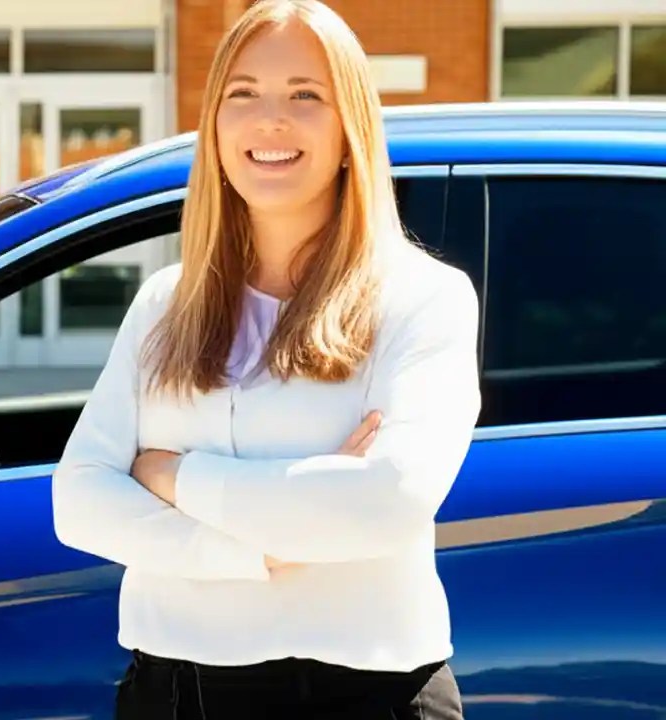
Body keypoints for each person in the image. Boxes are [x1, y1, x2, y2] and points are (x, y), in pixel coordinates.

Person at [50, 0, 480, 717]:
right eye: (242, 94)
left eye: (305, 96)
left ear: (351, 132)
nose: (269, 120)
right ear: (214, 127)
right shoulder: (165, 305)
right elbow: (79, 502)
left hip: (365, 695)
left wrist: (171, 475)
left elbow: (388, 502)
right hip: (177, 690)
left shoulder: (424, 298)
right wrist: (263, 548)